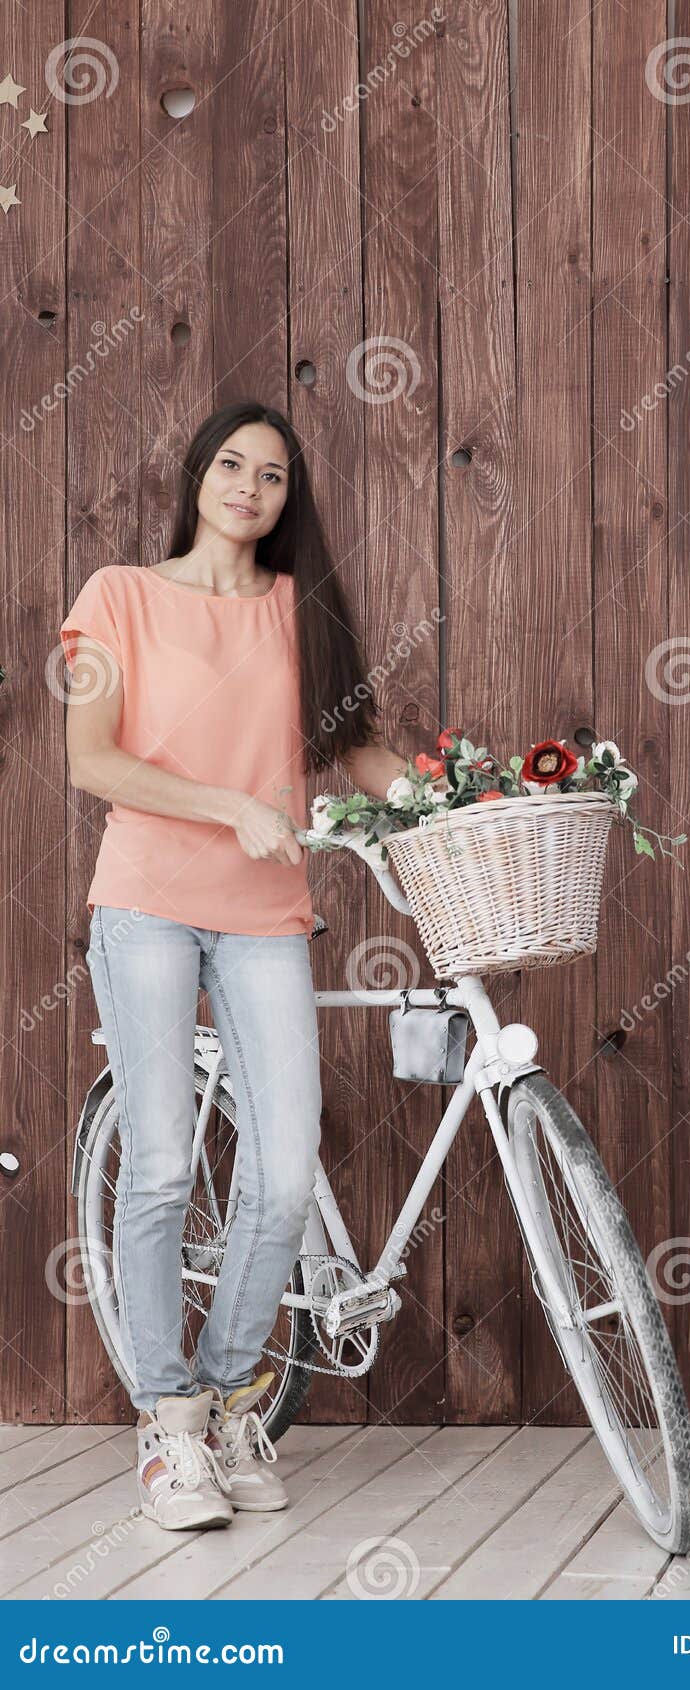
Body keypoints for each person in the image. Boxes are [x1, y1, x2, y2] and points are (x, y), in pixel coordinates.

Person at [61, 400, 413, 1531]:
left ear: (286, 499)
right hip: (150, 902)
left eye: (272, 475)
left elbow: (349, 749)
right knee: (161, 1167)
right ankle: (167, 1431)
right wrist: (226, 804)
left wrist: (453, 797)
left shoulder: (297, 612)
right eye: (232, 464)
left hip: (267, 911)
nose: (250, 487)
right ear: (198, 474)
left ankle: (223, 1402)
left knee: (279, 1172)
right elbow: (93, 756)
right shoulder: (120, 594)